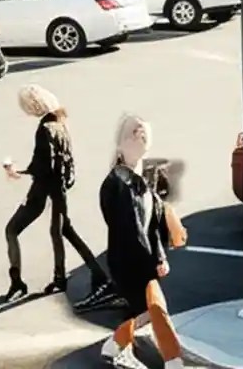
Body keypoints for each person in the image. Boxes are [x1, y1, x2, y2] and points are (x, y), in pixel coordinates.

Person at [2, 84, 111, 303]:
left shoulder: (45, 129)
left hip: (43, 191)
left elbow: (44, 165)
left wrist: (18, 172)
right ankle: (83, 276)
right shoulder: (60, 124)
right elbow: (61, 162)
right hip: (58, 191)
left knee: (13, 230)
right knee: (62, 231)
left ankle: (18, 282)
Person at [99, 114, 189, 369]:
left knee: (149, 312)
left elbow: (151, 225)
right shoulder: (117, 183)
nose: (141, 137)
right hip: (128, 262)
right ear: (121, 144)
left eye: (144, 134)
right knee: (156, 310)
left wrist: (159, 254)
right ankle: (174, 362)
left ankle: (114, 346)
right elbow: (130, 230)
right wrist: (152, 263)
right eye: (134, 134)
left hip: (142, 259)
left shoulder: (142, 178)